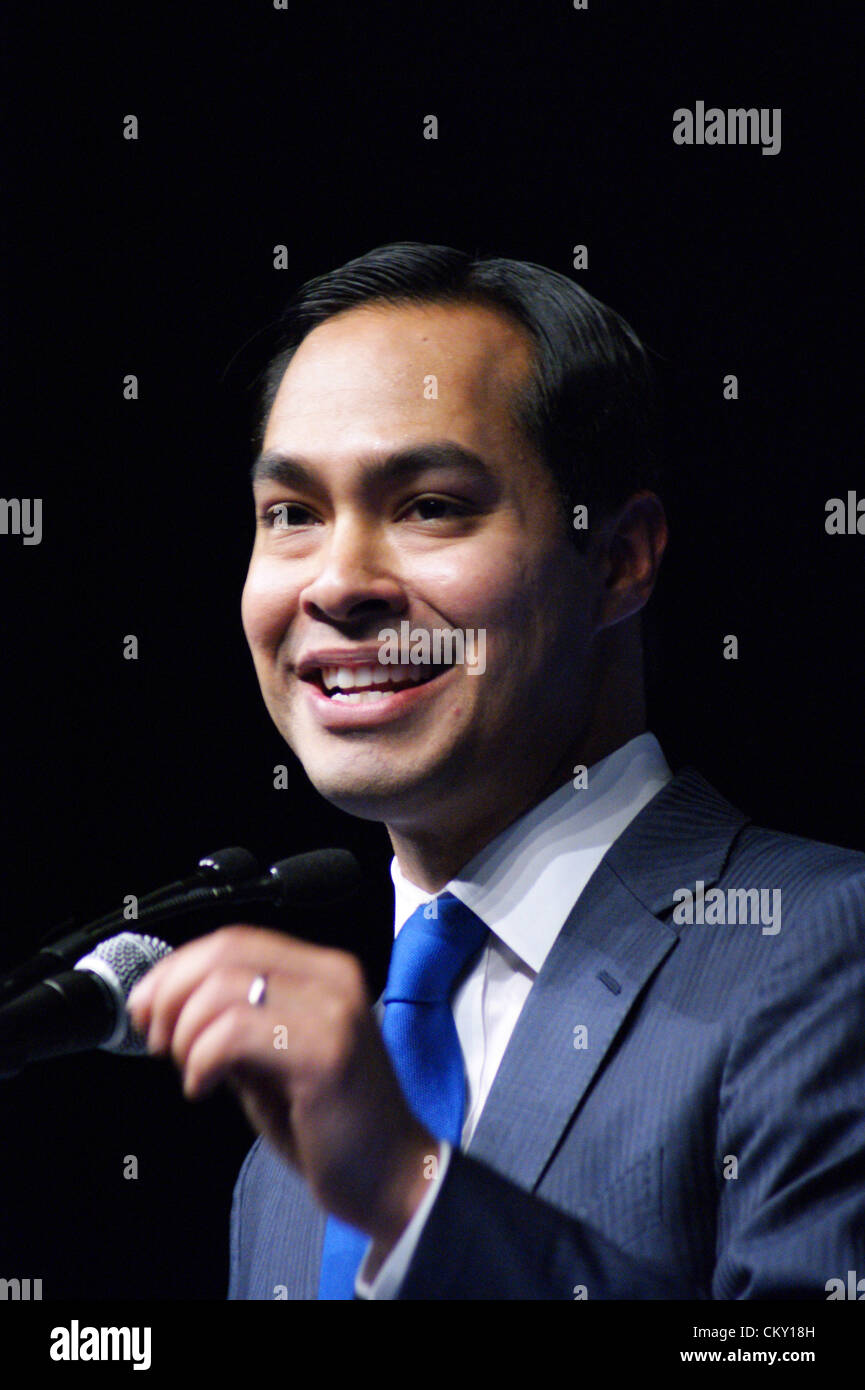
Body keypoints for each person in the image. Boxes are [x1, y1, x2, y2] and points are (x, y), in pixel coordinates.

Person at [127, 243, 865, 1299]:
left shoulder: (819, 953)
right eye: (291, 513)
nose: (337, 583)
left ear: (617, 559)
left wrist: (412, 1196)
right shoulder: (280, 1171)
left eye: (428, 504)